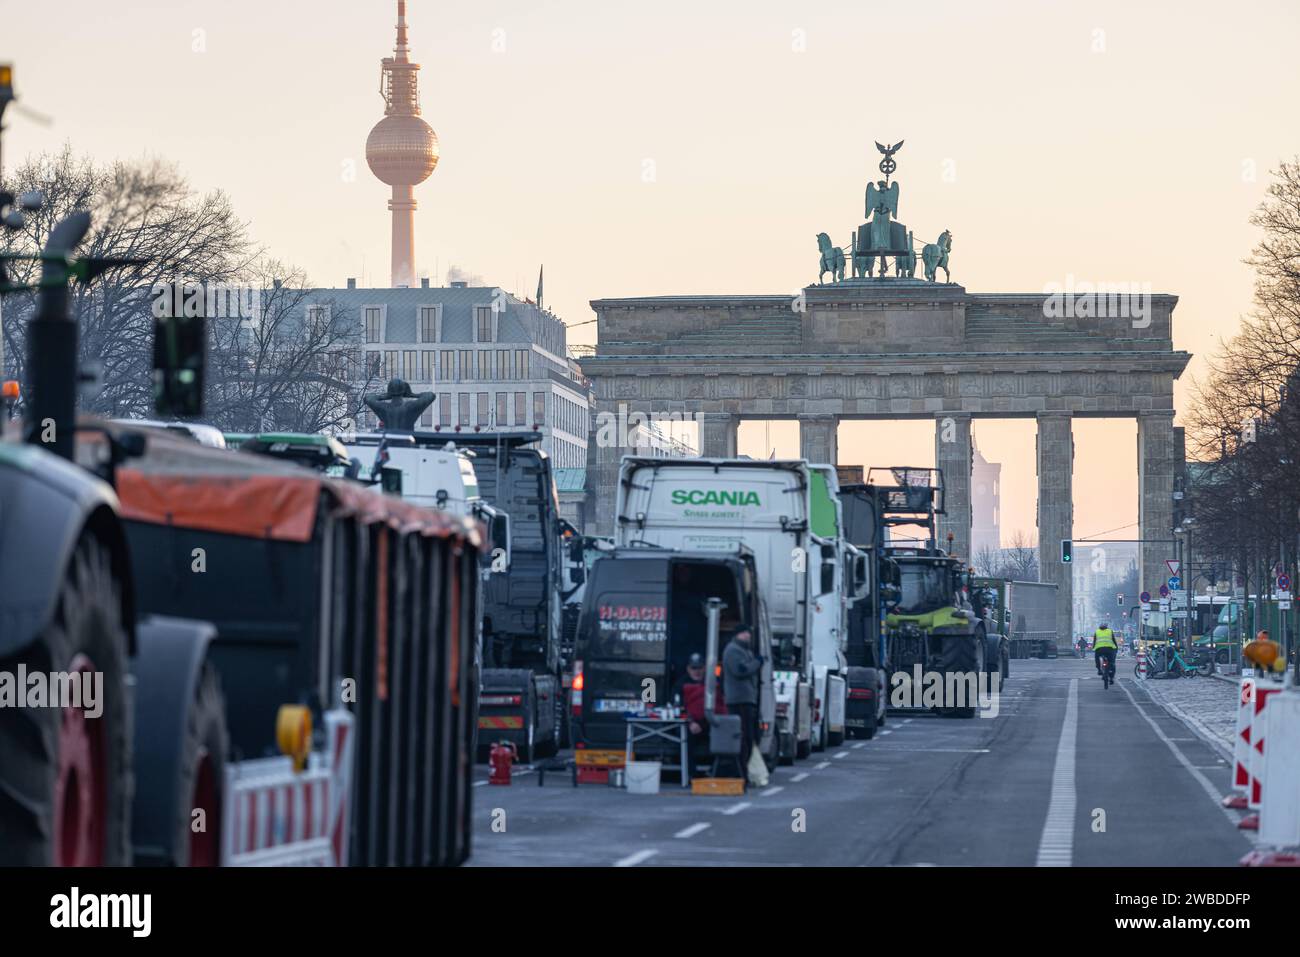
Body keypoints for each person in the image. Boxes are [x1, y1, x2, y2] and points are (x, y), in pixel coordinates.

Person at [722, 629, 763, 778]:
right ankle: (740, 772)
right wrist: (757, 662)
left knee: (748, 737)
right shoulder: (733, 650)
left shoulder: (744, 650)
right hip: (739, 699)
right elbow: (740, 671)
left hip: (746, 699)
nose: (748, 636)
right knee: (743, 737)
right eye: (744, 633)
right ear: (737, 634)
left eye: (749, 633)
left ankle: (743, 770)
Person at [671, 653, 720, 766]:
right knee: (685, 735)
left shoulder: (713, 682)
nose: (697, 671)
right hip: (689, 723)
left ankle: (718, 772)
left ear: (705, 668)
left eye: (700, 667)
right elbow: (677, 707)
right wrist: (690, 722)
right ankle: (689, 774)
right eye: (694, 668)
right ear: (688, 668)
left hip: (709, 722)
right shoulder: (680, 684)